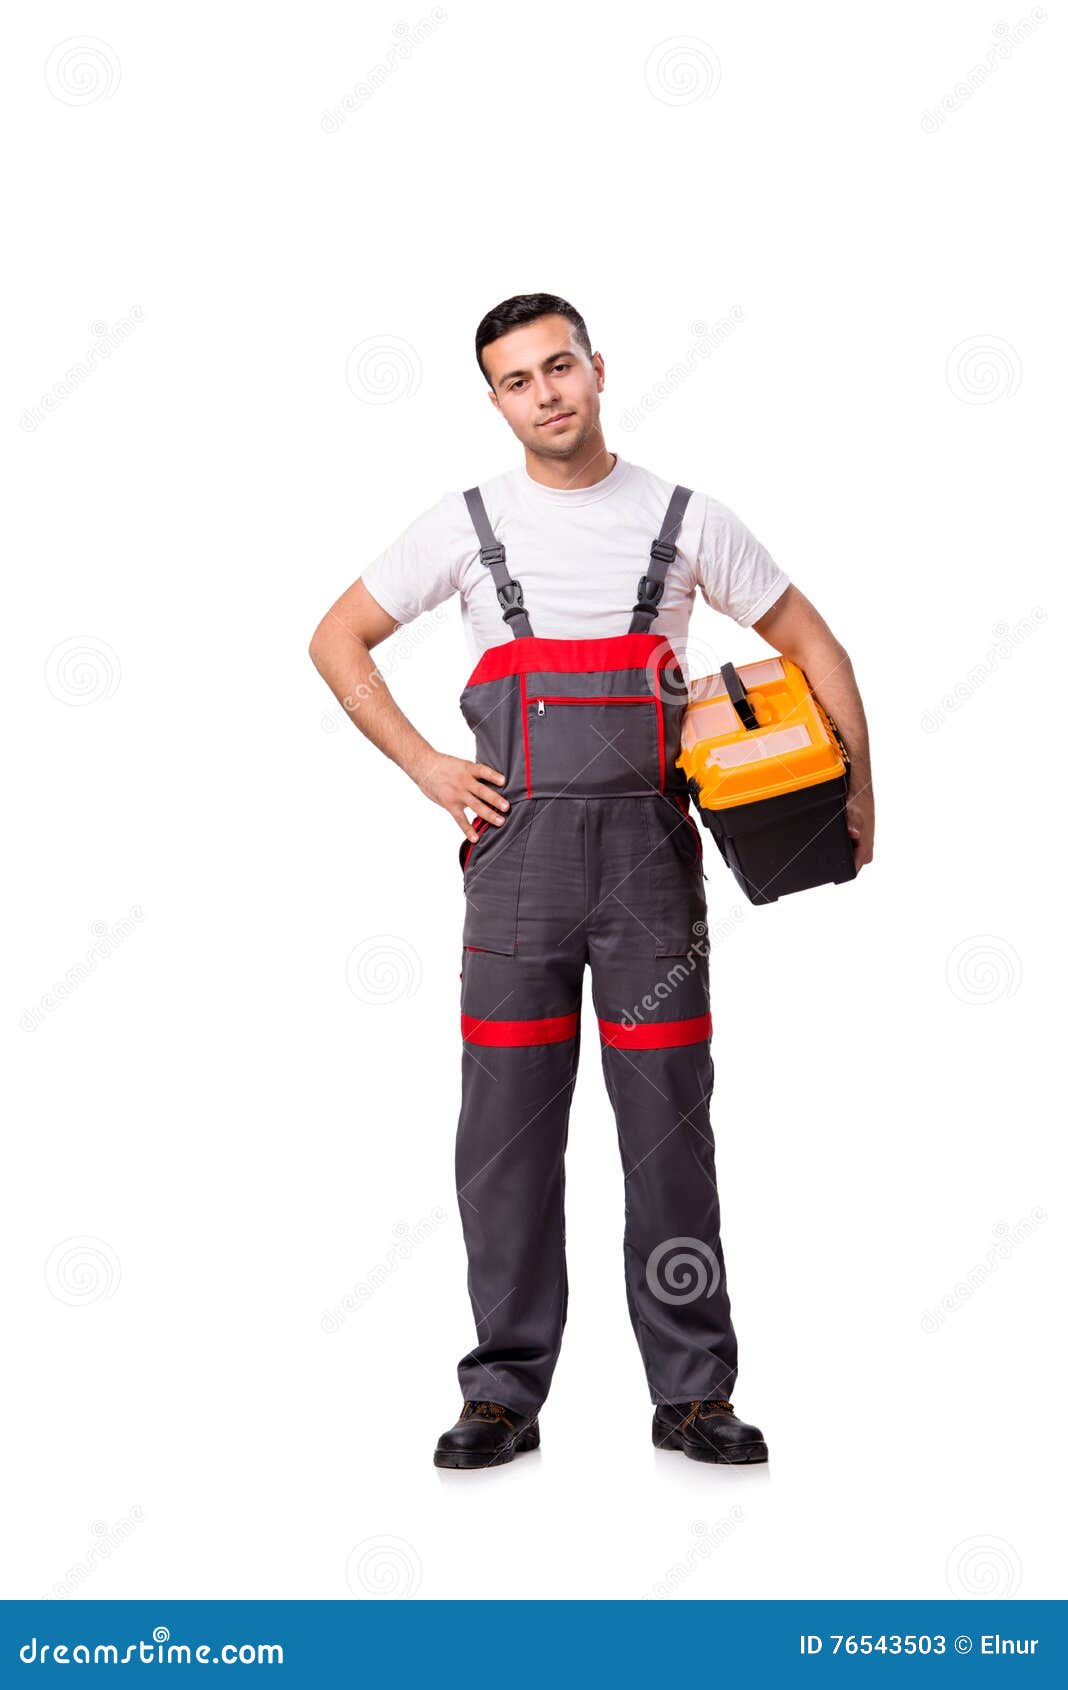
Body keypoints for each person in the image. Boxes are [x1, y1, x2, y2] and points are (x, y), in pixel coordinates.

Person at [309, 293, 874, 1471]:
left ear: (598, 368)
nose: (545, 393)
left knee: (671, 1134)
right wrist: (423, 765)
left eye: (559, 366)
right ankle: (503, 1391)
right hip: (511, 875)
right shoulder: (464, 525)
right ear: (497, 399)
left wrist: (858, 790)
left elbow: (816, 642)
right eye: (517, 380)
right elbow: (335, 638)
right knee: (504, 1138)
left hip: (650, 878)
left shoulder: (684, 518)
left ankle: (692, 1393)